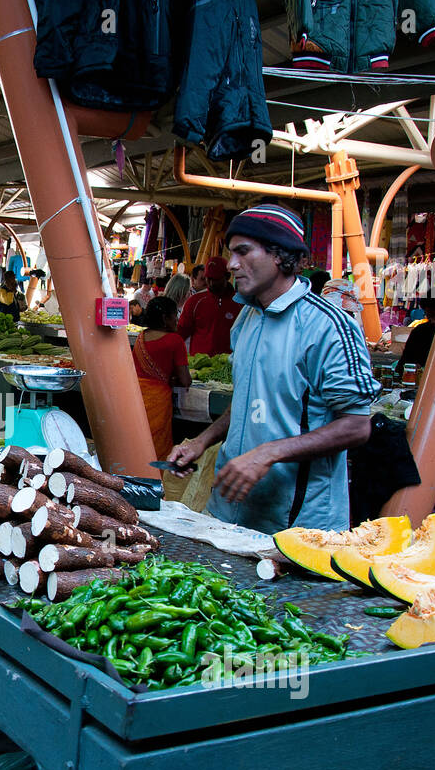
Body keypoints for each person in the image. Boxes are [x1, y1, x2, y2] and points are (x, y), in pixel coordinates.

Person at [167, 204, 379, 533]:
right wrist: (201, 441)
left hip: (297, 524)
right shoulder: (247, 319)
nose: (231, 264)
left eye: (243, 252)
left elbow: (356, 425)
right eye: (230, 253)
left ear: (280, 256)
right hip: (232, 513)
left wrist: (268, 453)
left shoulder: (327, 327)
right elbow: (246, 399)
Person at [133, 294, 192, 457]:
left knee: (137, 442)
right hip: (158, 401)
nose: (177, 320)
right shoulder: (175, 340)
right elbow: (185, 380)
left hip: (135, 397)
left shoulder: (141, 337)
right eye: (175, 315)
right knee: (156, 446)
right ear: (166, 318)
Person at [175, 255, 240, 356]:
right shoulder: (195, 301)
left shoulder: (240, 303)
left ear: (227, 277)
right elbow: (181, 332)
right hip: (198, 366)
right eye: (208, 279)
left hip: (228, 365)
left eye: (215, 279)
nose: (210, 283)